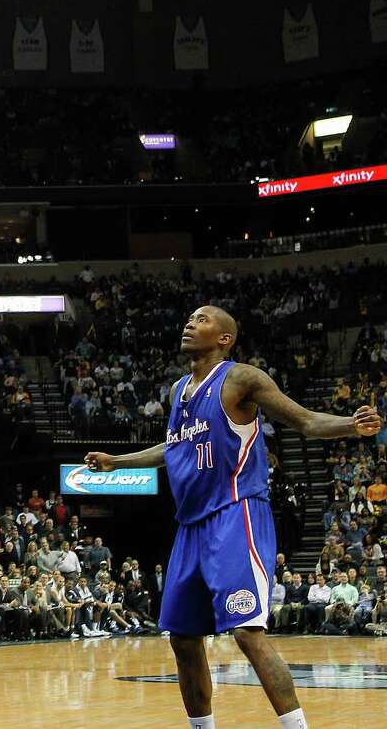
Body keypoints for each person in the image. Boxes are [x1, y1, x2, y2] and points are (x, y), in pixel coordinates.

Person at [86, 305, 382, 729]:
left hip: (236, 513)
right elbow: (171, 450)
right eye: (188, 318)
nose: (190, 323)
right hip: (190, 525)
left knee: (246, 632)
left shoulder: (241, 378)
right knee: (184, 640)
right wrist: (118, 461)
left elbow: (305, 421)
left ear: (225, 338)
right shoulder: (178, 392)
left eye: (202, 320)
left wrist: (351, 426)